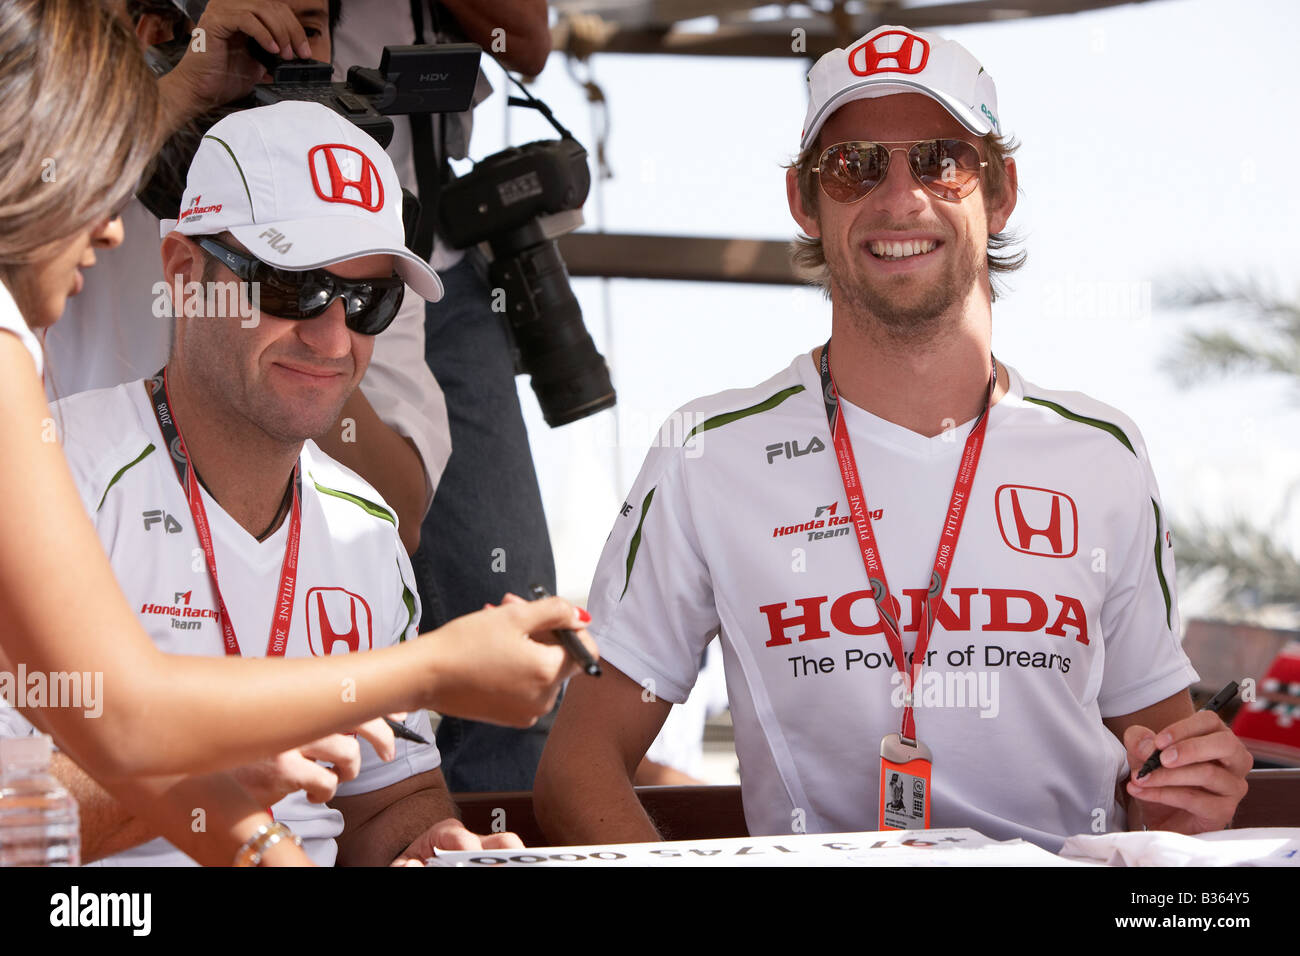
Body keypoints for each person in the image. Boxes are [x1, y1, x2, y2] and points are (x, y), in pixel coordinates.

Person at [534, 24, 1251, 850]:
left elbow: (1159, 783)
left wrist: (1188, 794)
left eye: (943, 159)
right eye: (854, 165)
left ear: (1001, 188)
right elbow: (578, 765)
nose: (901, 196)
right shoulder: (707, 450)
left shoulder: (1102, 452)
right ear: (805, 200)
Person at [0, 0, 592, 866]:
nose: (331, 330)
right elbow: (109, 745)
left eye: (369, 300)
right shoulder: (61, 447)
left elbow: (346, 801)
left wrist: (430, 847)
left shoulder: (364, 525)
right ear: (183, 269)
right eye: (293, 287)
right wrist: (432, 668)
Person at [47, 0, 442, 556]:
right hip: (76, 547)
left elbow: (395, 516)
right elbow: (23, 205)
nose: (278, 61)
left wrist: (312, 316)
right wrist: (179, 97)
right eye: (246, 36)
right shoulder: (86, 200)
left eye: (305, 33)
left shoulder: (370, 228)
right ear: (156, 32)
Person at [333, 0, 562, 792]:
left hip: (433, 245)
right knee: (323, 576)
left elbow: (528, 40)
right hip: (273, 239)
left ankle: (479, 832)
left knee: (518, 617)